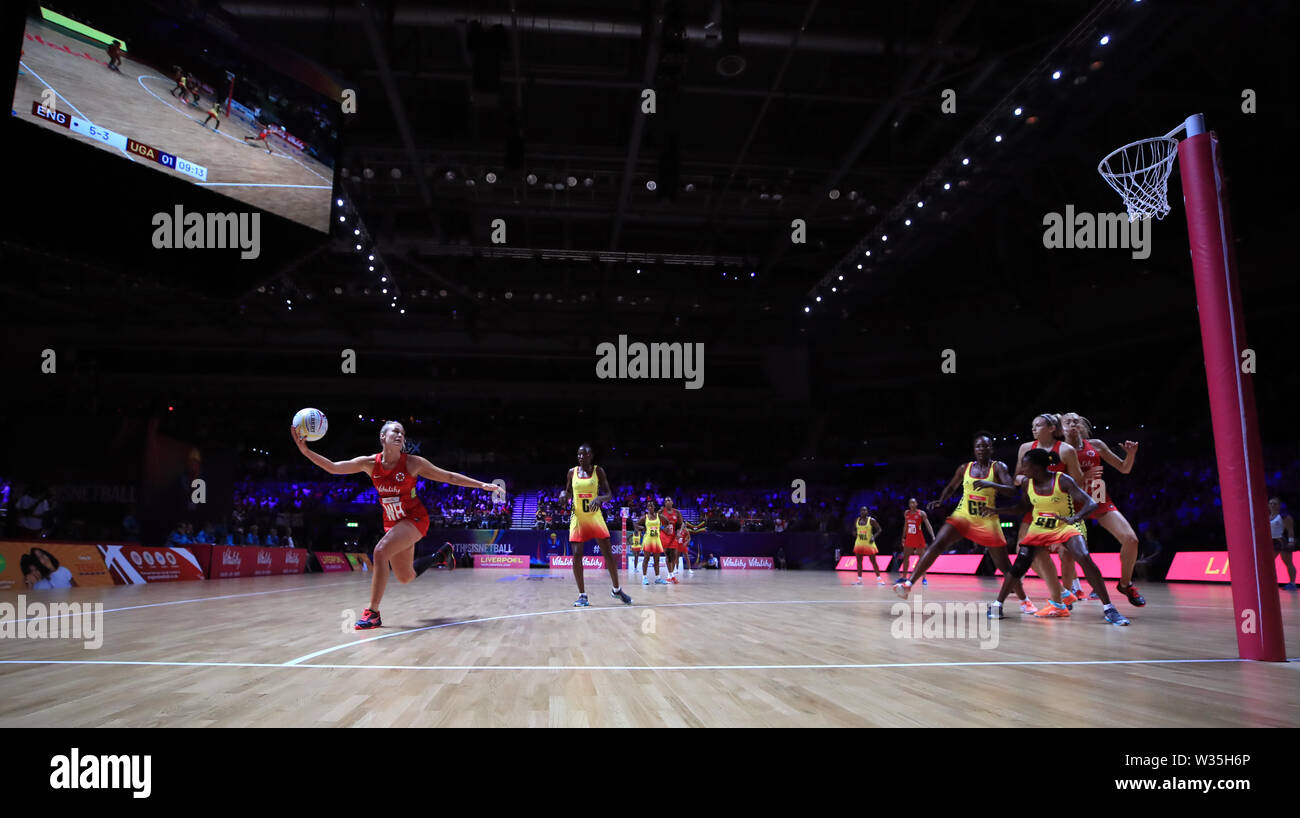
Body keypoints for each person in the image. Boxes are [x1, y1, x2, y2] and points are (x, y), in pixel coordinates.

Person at [293, 420, 498, 630]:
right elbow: (334, 468)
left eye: (402, 432)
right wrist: (306, 451)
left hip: (414, 519)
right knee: (405, 576)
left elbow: (448, 476)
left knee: (380, 552)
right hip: (393, 524)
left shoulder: (413, 463)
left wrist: (481, 485)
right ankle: (441, 555)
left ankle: (372, 613)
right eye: (395, 431)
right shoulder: (370, 463)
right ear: (383, 437)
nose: (400, 435)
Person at [982, 448, 1130, 625]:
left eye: (1025, 466)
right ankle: (998, 604)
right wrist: (997, 511)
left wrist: (1075, 518)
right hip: (1040, 526)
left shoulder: (1062, 480)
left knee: (1083, 557)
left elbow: (1090, 503)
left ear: (1037, 467)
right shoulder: (1027, 483)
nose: (1022, 469)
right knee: (1020, 565)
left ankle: (1109, 609)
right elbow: (1022, 508)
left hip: (1065, 524)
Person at [895, 433, 1035, 613]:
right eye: (978, 446)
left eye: (986, 446)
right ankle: (908, 584)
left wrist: (990, 485)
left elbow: (1011, 491)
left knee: (1004, 566)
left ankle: (1025, 601)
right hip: (964, 515)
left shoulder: (998, 467)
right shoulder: (965, 468)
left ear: (991, 449)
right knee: (938, 543)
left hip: (987, 519)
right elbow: (952, 486)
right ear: (974, 449)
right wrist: (941, 500)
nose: (982, 449)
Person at [1061, 412, 1145, 605]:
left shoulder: (1096, 445)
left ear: (1082, 425)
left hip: (1098, 497)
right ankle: (1065, 596)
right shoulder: (1059, 450)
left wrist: (1130, 455)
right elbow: (1057, 482)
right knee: (1068, 553)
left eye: (1076, 421)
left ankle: (1125, 584)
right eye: (1068, 422)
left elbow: (1124, 468)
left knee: (1131, 540)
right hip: (1071, 503)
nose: (1073, 424)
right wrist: (1085, 474)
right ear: (1061, 428)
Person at [565, 445, 634, 605]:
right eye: (578, 454)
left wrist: (599, 498)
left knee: (608, 554)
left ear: (591, 456)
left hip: (595, 516)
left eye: (584, 454)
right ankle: (582, 595)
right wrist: (564, 495)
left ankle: (616, 590)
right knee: (576, 555)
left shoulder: (598, 471)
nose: (581, 457)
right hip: (578, 516)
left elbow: (609, 494)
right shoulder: (571, 472)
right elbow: (568, 491)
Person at [898, 498, 935, 585]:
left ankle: (924, 578)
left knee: (922, 559)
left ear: (917, 504)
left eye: (913, 502)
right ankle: (904, 577)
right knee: (905, 558)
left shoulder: (921, 513)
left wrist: (933, 536)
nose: (912, 504)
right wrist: (903, 537)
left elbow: (928, 525)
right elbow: (905, 526)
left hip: (918, 538)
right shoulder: (906, 513)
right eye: (910, 503)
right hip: (909, 538)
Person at [635, 497, 668, 586]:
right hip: (648, 539)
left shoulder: (658, 516)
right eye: (649, 506)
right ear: (647, 508)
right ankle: (644, 578)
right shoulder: (645, 517)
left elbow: (667, 521)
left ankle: (658, 578)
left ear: (654, 507)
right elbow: (636, 524)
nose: (650, 507)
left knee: (656, 560)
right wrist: (642, 528)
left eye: (652, 506)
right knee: (646, 558)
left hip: (657, 540)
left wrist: (664, 528)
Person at [850, 507, 884, 585]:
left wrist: (873, 537)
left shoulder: (871, 520)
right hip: (859, 543)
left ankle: (879, 579)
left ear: (867, 512)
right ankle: (859, 579)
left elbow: (879, 529)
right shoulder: (857, 520)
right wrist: (854, 533)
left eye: (865, 510)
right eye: (862, 510)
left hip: (869, 543)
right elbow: (854, 529)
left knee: (873, 561)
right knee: (859, 561)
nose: (863, 511)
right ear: (860, 511)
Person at [1270, 497, 1297, 589]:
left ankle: (1292, 583)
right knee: (1269, 562)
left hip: (1282, 541)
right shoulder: (1267, 516)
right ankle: (1272, 582)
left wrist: (1291, 542)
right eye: (1271, 503)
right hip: (1272, 542)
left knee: (1288, 562)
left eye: (1275, 503)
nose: (1272, 505)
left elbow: (1290, 530)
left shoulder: (1284, 516)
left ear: (1279, 505)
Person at [661, 497, 684, 583]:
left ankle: (671, 574)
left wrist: (679, 532)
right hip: (664, 535)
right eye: (666, 500)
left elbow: (681, 524)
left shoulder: (677, 512)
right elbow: (657, 523)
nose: (667, 501)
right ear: (664, 503)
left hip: (673, 535)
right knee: (668, 554)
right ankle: (669, 575)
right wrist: (663, 528)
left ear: (672, 502)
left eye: (669, 500)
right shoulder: (661, 512)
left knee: (674, 555)